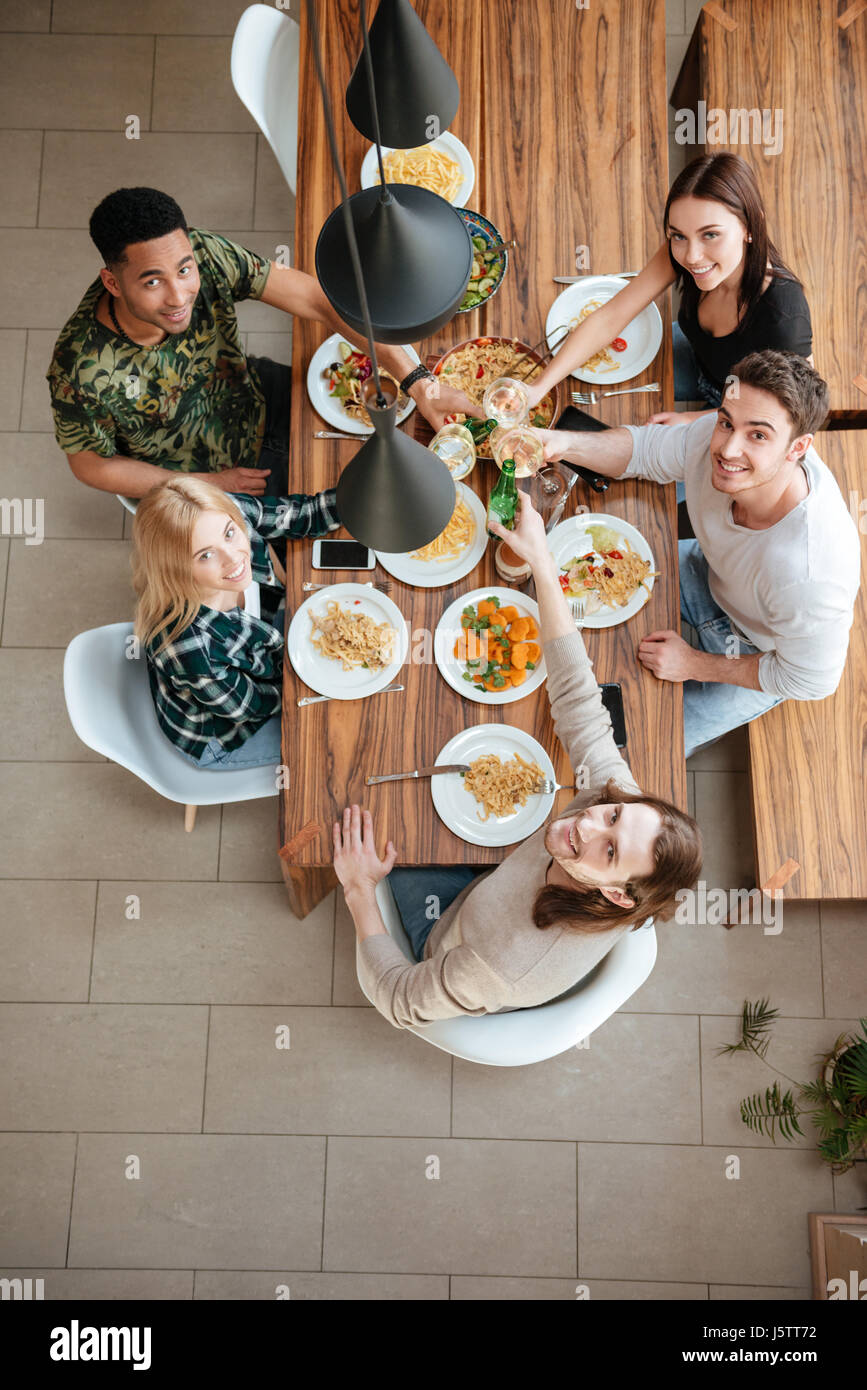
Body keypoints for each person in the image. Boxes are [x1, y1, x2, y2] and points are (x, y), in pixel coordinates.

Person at [331, 493, 703, 1028]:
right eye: (615, 816)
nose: (590, 820)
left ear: (619, 896)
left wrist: (359, 890)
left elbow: (399, 1000)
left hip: (457, 935)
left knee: (370, 790)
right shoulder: (613, 805)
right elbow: (578, 700)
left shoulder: (501, 964)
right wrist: (543, 566)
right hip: (495, 887)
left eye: (610, 848)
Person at [47, 186, 480, 501]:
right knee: (354, 514)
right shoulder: (80, 369)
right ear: (112, 282)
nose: (179, 296)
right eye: (153, 282)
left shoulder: (203, 253)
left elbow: (317, 300)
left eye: (183, 271)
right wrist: (212, 485)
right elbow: (91, 465)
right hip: (202, 478)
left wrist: (421, 383)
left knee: (396, 450)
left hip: (257, 395)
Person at [533, 350, 861, 757]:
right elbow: (645, 451)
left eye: (758, 435)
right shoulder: (720, 432)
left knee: (637, 746)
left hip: (763, 653)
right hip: (709, 575)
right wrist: (560, 443)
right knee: (570, 594)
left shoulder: (812, 574)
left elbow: (810, 681)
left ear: (799, 448)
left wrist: (693, 664)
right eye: (726, 422)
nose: (727, 449)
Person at [527, 153, 812, 428]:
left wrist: (692, 419)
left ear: (751, 226)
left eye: (710, 234)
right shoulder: (686, 251)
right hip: (698, 360)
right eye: (678, 235)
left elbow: (788, 410)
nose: (691, 257)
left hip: (743, 408)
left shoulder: (785, 317)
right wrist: (537, 389)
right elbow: (612, 316)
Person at [132, 476, 338, 770]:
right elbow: (251, 706)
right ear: (175, 569)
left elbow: (299, 514)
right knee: (333, 747)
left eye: (230, 534)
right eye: (205, 555)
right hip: (225, 735)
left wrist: (359, 495)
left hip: (262, 650)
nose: (234, 559)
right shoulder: (191, 647)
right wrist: (324, 679)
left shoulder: (222, 516)